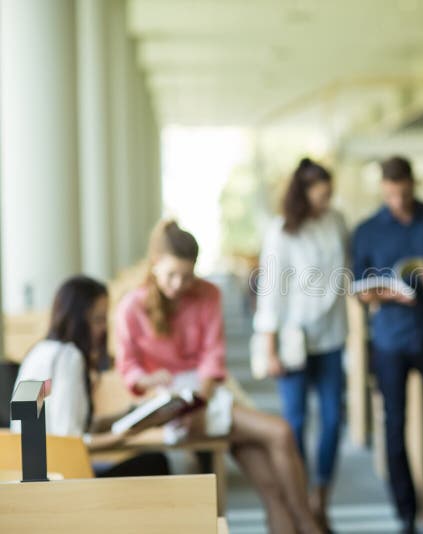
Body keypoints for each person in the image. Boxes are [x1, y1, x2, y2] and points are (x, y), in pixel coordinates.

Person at [115, 219, 322, 534]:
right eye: (171, 275)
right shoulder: (131, 306)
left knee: (272, 491)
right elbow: (129, 368)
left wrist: (199, 402)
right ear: (155, 265)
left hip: (207, 394)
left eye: (187, 276)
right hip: (166, 406)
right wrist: (148, 380)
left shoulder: (207, 293)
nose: (178, 285)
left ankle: (299, 521)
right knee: (279, 433)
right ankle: (308, 524)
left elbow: (213, 358)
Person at [351, 155, 423, 534]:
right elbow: (358, 288)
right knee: (393, 428)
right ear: (383, 190)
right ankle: (406, 514)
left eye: (403, 194)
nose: (397, 202)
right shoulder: (366, 230)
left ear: (413, 185)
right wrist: (378, 293)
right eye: (390, 195)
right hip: (390, 341)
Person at [252, 157, 348, 531]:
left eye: (330, 195)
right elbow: (271, 291)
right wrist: (269, 345)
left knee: (333, 420)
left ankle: (320, 493)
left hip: (332, 336)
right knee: (294, 423)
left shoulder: (335, 221)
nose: (327, 201)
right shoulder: (282, 232)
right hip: (293, 339)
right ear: (304, 194)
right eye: (322, 195)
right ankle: (300, 501)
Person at [12, 275, 170, 477]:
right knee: (155, 463)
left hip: (33, 474)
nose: (104, 328)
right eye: (98, 319)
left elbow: (71, 424)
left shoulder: (39, 352)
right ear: (78, 320)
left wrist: (129, 415)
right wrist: (124, 436)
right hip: (63, 480)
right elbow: (69, 440)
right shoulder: (69, 357)